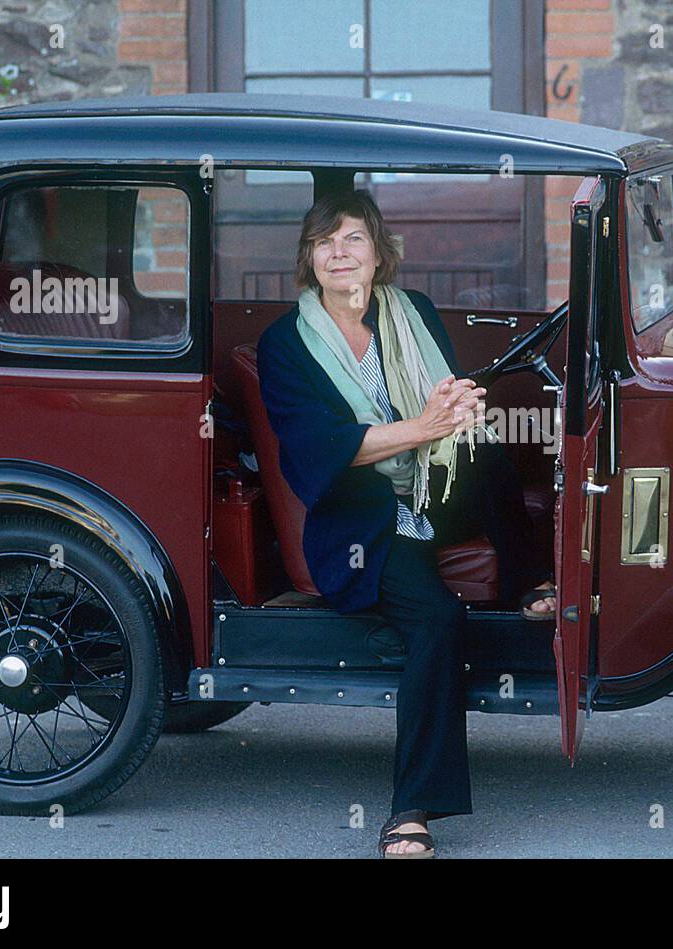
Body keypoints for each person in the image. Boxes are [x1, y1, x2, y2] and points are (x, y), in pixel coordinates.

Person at [257, 189, 553, 857]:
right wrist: (423, 426)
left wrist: (455, 404)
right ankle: (410, 809)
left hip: (431, 482)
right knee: (439, 620)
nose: (339, 251)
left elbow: (443, 393)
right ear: (309, 256)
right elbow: (319, 452)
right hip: (361, 517)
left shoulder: (410, 311)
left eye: (353, 238)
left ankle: (530, 580)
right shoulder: (287, 344)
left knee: (488, 447)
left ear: (377, 252)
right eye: (325, 240)